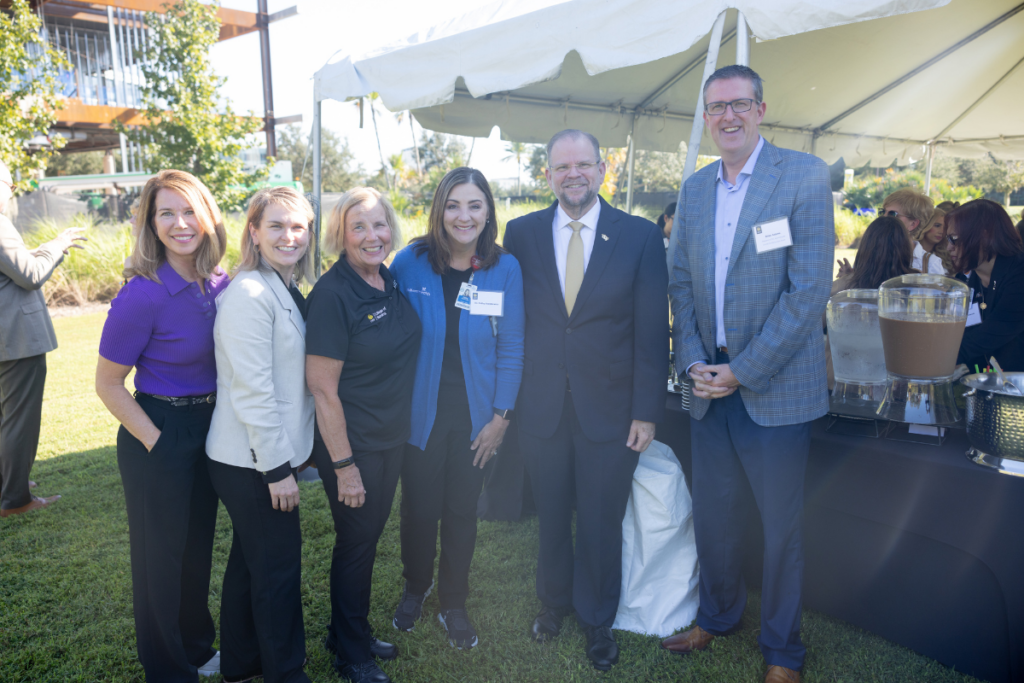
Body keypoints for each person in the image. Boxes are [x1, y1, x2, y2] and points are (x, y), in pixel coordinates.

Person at [665, 65, 834, 683]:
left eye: (738, 104)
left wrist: (743, 370)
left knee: (780, 526)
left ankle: (782, 651)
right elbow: (679, 284)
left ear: (762, 109)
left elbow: (809, 287)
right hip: (708, 387)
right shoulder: (696, 188)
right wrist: (692, 364)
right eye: (715, 108)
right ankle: (717, 614)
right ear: (706, 117)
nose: (727, 117)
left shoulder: (804, 176)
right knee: (715, 513)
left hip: (775, 389)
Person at [502, 129, 669, 672]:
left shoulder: (639, 237)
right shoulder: (521, 233)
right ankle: (552, 604)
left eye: (583, 165)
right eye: (560, 166)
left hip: (613, 408)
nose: (572, 174)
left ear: (603, 171)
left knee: (601, 517)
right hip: (542, 404)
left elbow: (651, 331)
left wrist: (647, 409)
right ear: (546, 175)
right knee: (551, 511)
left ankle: (597, 618)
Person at [95, 169, 227, 681]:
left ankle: (195, 647)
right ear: (151, 224)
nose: (180, 223)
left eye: (190, 210)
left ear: (208, 216)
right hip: (159, 429)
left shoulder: (219, 283)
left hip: (210, 426)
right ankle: (168, 669)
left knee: (195, 550)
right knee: (159, 561)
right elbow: (108, 385)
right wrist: (158, 441)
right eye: (166, 213)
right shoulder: (142, 295)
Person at [389, 167, 525, 649]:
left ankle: (454, 602)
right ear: (438, 210)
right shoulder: (408, 263)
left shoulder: (503, 268)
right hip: (419, 416)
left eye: (474, 205)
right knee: (419, 508)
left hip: (476, 419)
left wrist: (500, 419)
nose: (463, 216)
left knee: (461, 509)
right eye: (453, 205)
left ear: (488, 211)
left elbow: (511, 348)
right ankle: (414, 587)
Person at [305, 187, 422, 683]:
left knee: (367, 540)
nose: (372, 236)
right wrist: (344, 466)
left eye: (379, 225)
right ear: (341, 234)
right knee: (356, 544)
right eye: (359, 227)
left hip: (390, 438)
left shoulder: (387, 279)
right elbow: (322, 390)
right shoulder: (333, 295)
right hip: (352, 447)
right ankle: (352, 654)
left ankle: (345, 629)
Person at [204, 187, 316, 683]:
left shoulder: (282, 284)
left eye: (299, 226)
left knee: (250, 565)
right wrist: (277, 470)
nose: (289, 236)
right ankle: (285, 672)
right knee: (276, 570)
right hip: (252, 460)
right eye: (276, 226)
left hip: (255, 456)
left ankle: (242, 663)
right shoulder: (250, 294)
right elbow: (253, 392)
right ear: (253, 231)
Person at [0, 159, 87, 518]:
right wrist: (56, 245)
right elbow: (30, 274)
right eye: (7, 183)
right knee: (20, 419)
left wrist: (49, 251)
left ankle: (9, 482)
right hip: (16, 341)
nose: (10, 191)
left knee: (6, 418)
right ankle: (15, 499)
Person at [947, 199, 1024, 372]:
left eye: (954, 239)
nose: (948, 247)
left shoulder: (1019, 274)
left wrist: (936, 357)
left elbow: (995, 331)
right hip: (986, 381)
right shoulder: (968, 280)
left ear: (984, 236)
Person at [881, 188, 945, 275]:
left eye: (892, 214)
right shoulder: (873, 251)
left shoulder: (931, 263)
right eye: (882, 212)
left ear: (913, 224)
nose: (884, 217)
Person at [911, 207, 954, 275]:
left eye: (945, 228)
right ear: (926, 225)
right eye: (937, 226)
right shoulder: (910, 249)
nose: (942, 231)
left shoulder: (946, 256)